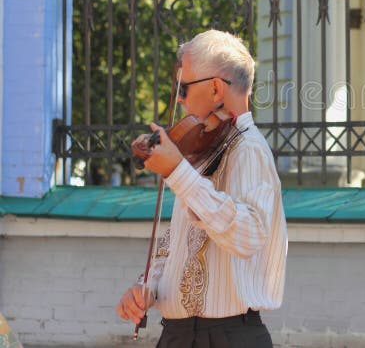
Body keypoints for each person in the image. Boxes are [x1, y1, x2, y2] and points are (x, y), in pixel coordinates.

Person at [116, 30, 287, 348]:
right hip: (179, 335)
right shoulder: (203, 149)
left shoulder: (248, 148)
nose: (178, 98)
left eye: (184, 87)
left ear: (215, 89)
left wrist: (178, 172)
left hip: (228, 337)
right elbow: (176, 243)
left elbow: (249, 235)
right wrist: (148, 286)